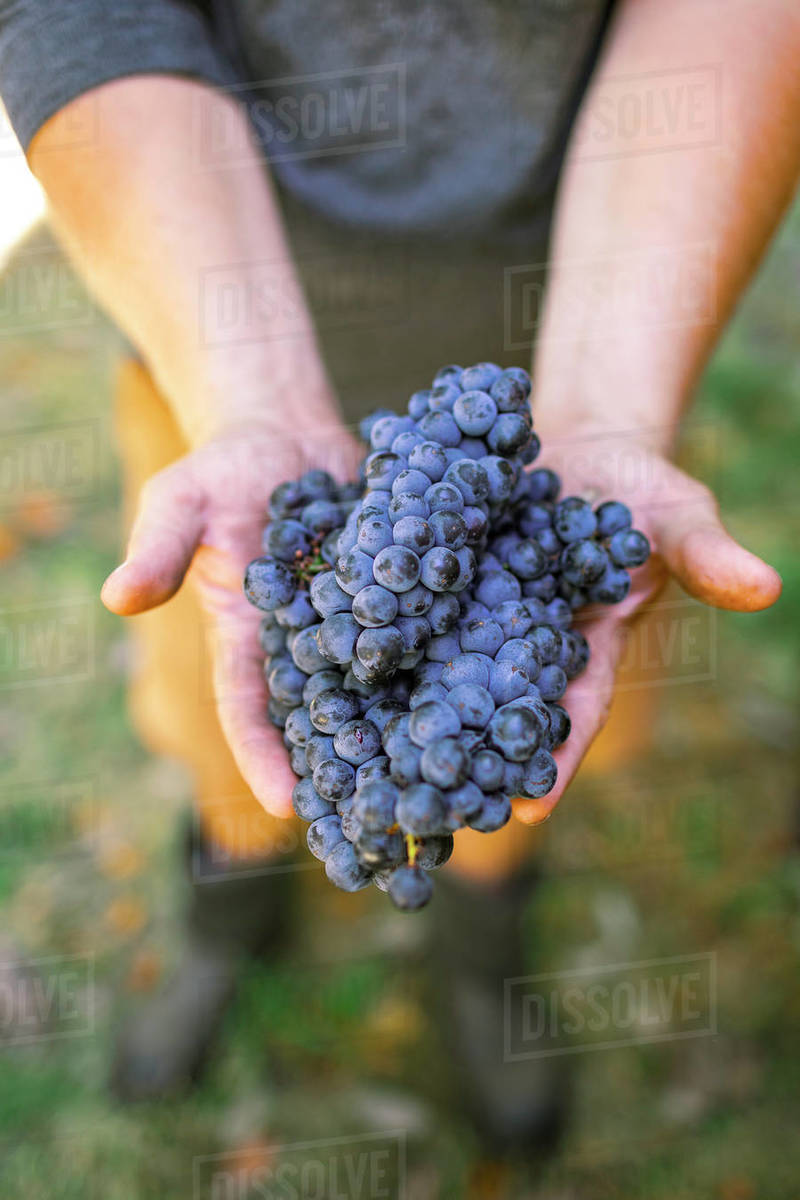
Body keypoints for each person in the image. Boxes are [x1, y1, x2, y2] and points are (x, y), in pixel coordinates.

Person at [0, 0, 793, 1146]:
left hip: (573, 361)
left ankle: (481, 956)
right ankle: (228, 921)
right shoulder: (282, 523)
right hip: (214, 386)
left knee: (526, 751)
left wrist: (612, 400)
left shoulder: (539, 503)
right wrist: (243, 394)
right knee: (223, 725)